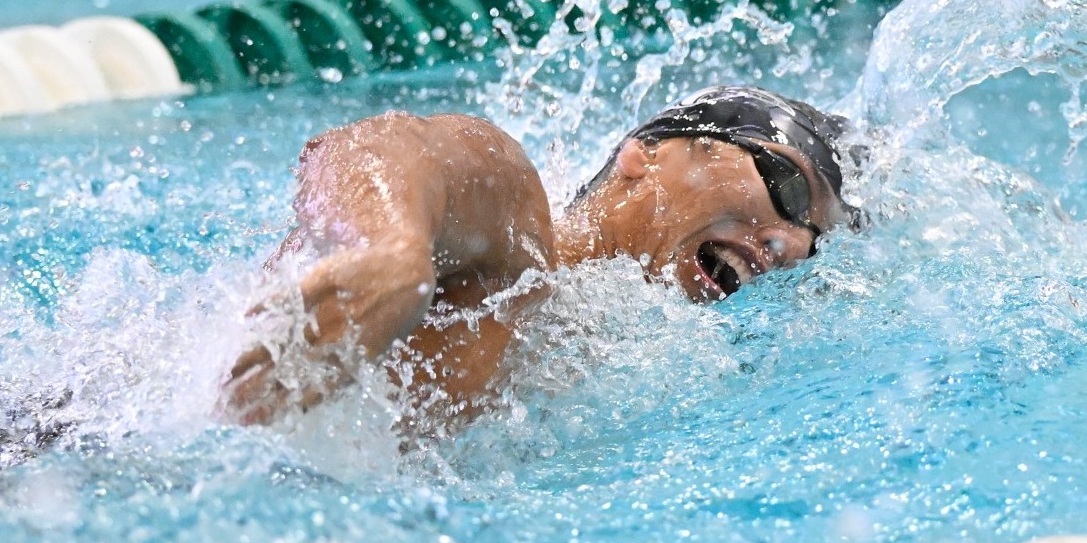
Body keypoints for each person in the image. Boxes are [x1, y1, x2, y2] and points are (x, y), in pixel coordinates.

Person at [220, 84, 863, 432]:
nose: (792, 244)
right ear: (647, 154)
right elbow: (379, 148)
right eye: (786, 187)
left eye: (814, 236)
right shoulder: (519, 238)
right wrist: (390, 254)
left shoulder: (617, 369)